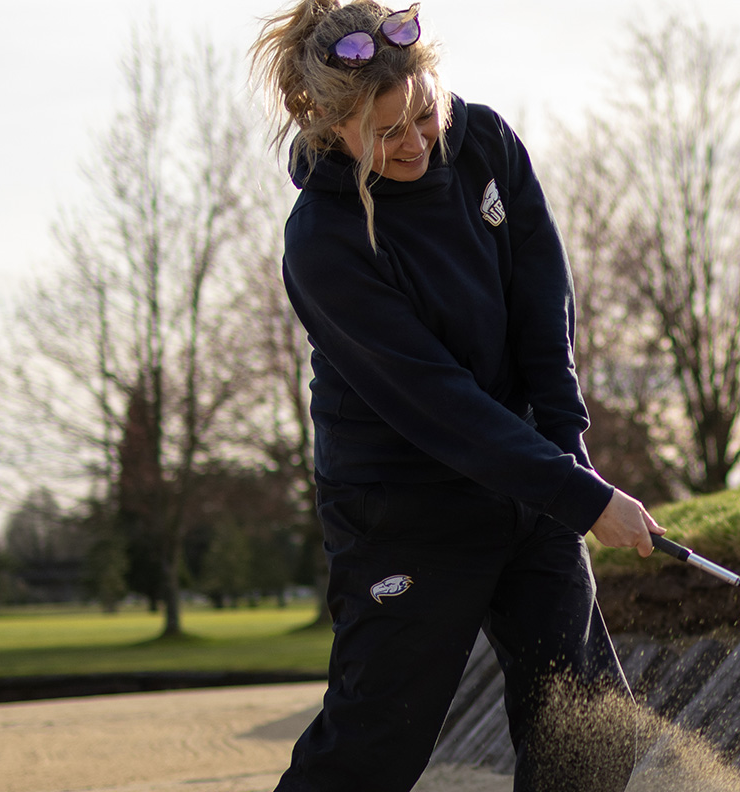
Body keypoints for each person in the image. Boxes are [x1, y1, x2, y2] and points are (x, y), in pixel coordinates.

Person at [252, 3, 662, 790]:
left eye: (423, 115)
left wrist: (568, 461)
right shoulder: (322, 242)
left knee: (587, 729)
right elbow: (434, 401)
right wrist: (576, 496)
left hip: (527, 477)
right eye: (386, 133)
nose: (415, 144)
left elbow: (544, 310)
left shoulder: (485, 143)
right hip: (403, 506)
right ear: (333, 128)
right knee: (377, 742)